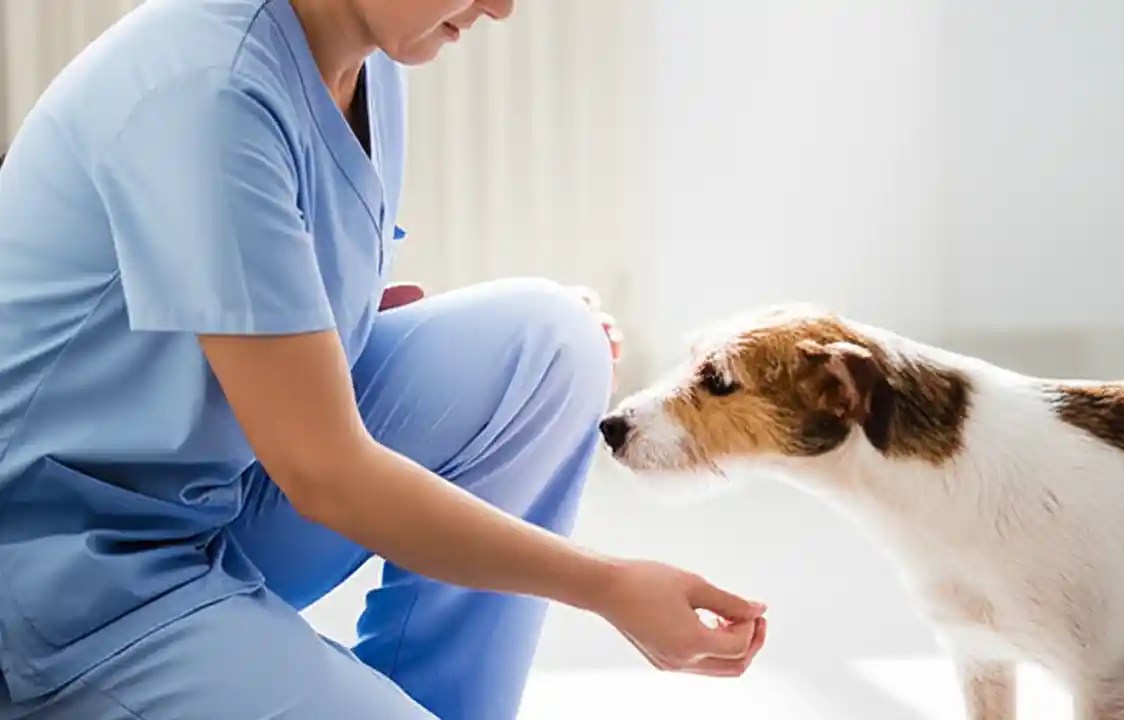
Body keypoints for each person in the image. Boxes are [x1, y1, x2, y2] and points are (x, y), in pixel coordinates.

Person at [0, 1, 768, 718]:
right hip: (79, 587)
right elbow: (327, 473)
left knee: (551, 341)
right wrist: (608, 587)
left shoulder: (367, 58)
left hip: (215, 493)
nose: (501, 5)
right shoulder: (213, 90)